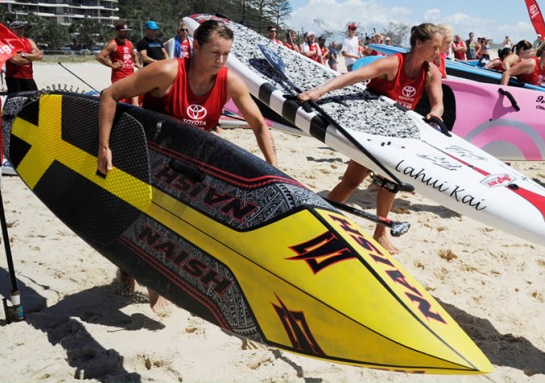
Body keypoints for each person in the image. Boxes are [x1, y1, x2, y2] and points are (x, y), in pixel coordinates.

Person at [98, 20, 278, 311]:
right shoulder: (167, 72)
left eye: (226, 54)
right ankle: (134, 272)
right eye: (215, 53)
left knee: (176, 226)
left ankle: (145, 273)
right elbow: (110, 95)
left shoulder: (229, 81)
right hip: (149, 159)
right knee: (144, 221)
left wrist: (273, 170)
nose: (221, 60)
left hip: (188, 166)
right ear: (196, 47)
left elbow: (258, 125)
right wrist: (104, 147)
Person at [297, 23, 444, 254]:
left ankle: (380, 232)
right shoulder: (393, 64)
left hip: (397, 134)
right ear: (418, 43)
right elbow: (353, 77)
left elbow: (438, 102)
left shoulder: (431, 71)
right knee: (352, 182)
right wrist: (318, 92)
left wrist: (435, 113)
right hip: (371, 131)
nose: (439, 52)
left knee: (390, 183)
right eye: (434, 47)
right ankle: (320, 219)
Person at [97, 22, 142, 105]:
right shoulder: (113, 44)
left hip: (130, 75)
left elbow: (134, 55)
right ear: (117, 32)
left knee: (134, 100)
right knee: (121, 103)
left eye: (126, 31)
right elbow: (99, 57)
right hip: (119, 77)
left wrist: (137, 63)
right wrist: (112, 65)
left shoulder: (129, 43)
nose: (125, 33)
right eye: (123, 31)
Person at [4, 21, 42, 93]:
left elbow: (39, 56)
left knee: (34, 100)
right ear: (11, 30)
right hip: (14, 78)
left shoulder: (29, 41)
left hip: (28, 77)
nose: (20, 31)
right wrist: (31, 57)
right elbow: (14, 59)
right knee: (16, 101)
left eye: (22, 28)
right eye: (17, 29)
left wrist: (22, 55)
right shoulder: (8, 42)